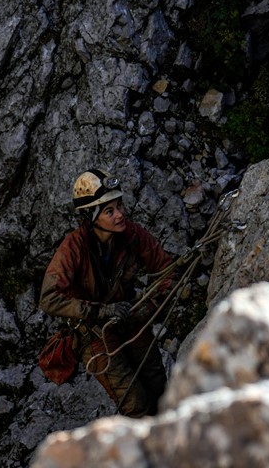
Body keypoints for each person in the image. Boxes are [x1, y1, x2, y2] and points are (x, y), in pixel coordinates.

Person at [40, 168, 176, 417]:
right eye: (109, 211)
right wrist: (101, 311)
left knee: (159, 387)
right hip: (95, 333)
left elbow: (167, 268)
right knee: (135, 403)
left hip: (130, 319)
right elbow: (49, 299)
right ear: (92, 216)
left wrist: (151, 305)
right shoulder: (74, 248)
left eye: (120, 206)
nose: (120, 215)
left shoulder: (131, 235)